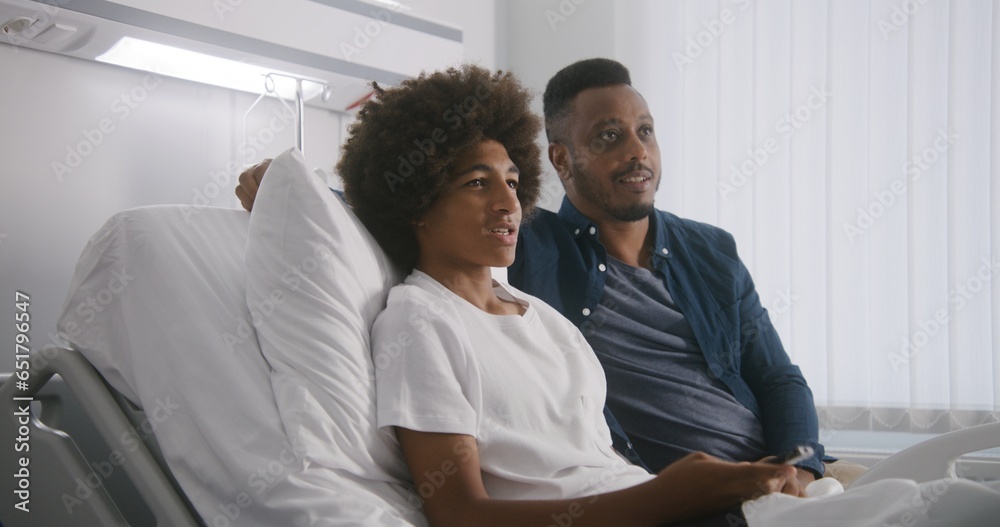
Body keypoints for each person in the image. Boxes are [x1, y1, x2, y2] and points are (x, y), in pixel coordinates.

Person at [236, 58, 831, 492]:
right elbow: (422, 201)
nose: (637, 153)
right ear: (561, 159)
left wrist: (801, 465)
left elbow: (778, 379)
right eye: (609, 137)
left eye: (645, 131)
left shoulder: (713, 251)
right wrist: (299, 192)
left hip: (775, 474)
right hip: (672, 491)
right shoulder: (531, 247)